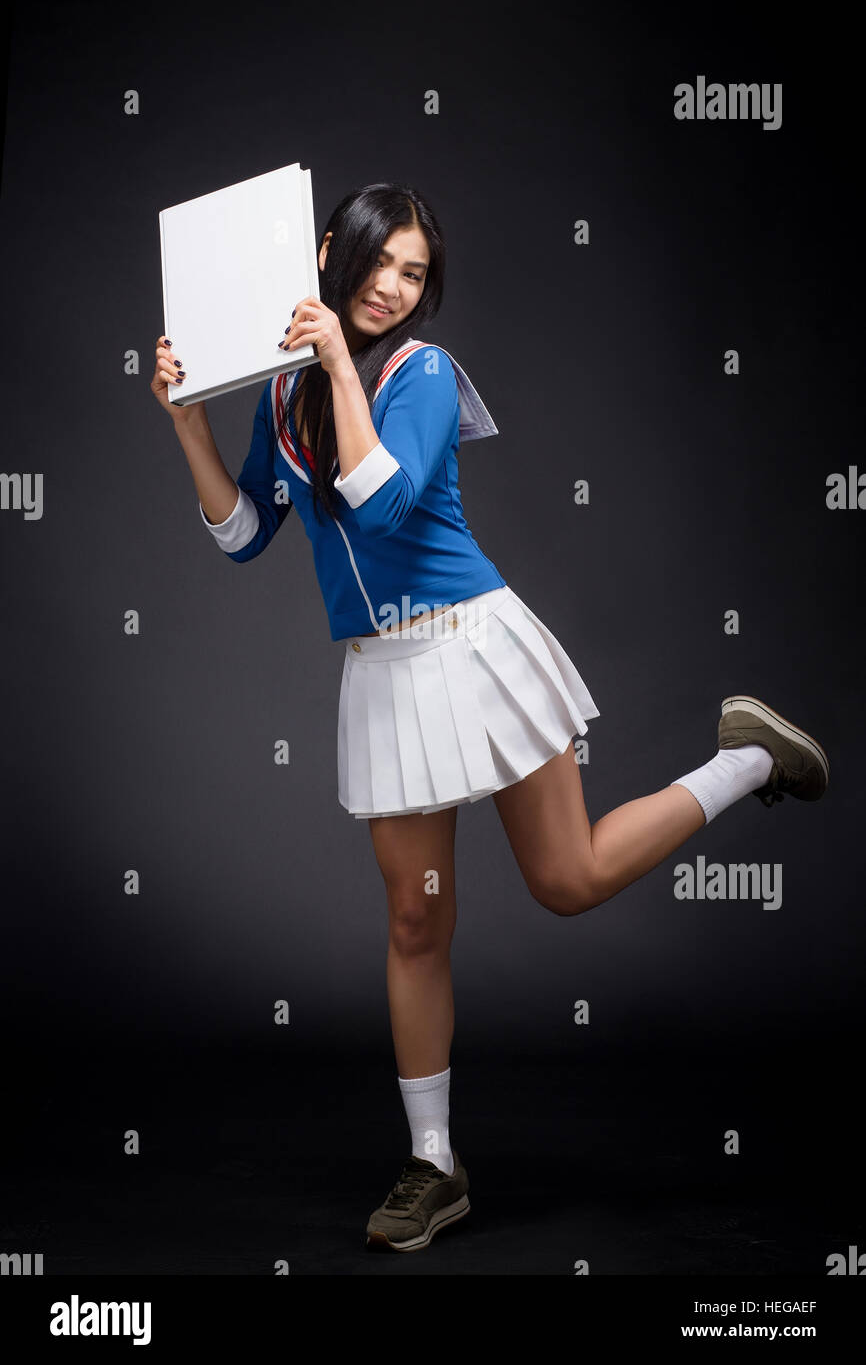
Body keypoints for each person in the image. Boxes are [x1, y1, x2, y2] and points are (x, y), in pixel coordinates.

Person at [151, 181, 829, 1254]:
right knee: (416, 921)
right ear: (329, 249)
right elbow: (241, 537)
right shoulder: (276, 399)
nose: (390, 286)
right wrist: (188, 420)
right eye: (378, 260)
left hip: (473, 645)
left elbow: (381, 496)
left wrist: (335, 363)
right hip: (381, 671)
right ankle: (432, 1163)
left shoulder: (421, 374)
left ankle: (742, 761)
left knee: (565, 880)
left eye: (413, 273)